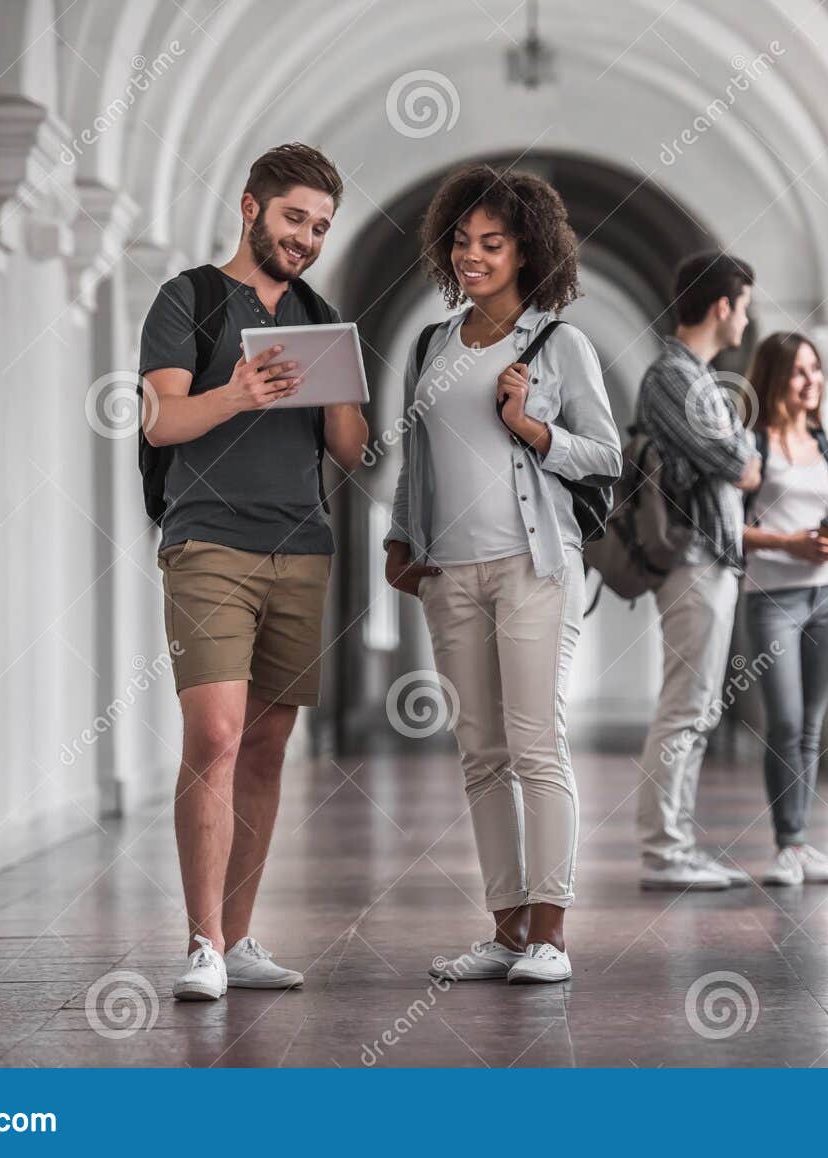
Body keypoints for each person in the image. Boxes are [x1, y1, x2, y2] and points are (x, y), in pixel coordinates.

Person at [139, 143, 368, 1000]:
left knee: (268, 747)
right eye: (293, 218)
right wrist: (238, 391)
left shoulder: (320, 313)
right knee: (217, 737)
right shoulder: (188, 299)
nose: (305, 238)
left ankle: (237, 940)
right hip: (208, 543)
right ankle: (200, 944)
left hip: (302, 546)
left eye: (318, 227)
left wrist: (339, 390)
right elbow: (162, 423)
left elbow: (350, 452)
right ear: (250, 209)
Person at [383, 165, 621, 985]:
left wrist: (530, 425)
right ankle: (507, 930)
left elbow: (607, 455)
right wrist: (397, 537)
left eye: (493, 242)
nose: (473, 255)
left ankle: (551, 934)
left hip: (534, 565)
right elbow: (416, 457)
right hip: (448, 572)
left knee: (534, 743)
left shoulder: (559, 343)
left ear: (528, 252)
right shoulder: (432, 344)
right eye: (462, 240)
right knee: (479, 751)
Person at [633, 252, 763, 890]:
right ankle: (664, 849)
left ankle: (676, 843)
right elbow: (737, 462)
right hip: (692, 557)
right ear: (722, 306)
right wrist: (741, 450)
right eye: (744, 305)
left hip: (711, 558)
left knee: (699, 705)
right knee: (685, 705)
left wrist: (738, 451)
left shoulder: (699, 378)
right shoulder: (672, 377)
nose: (747, 319)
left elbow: (735, 457)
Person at [740, 332, 828, 886]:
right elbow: (729, 530)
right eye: (801, 372)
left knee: (810, 727)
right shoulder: (751, 447)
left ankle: (802, 843)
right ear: (776, 378)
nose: (813, 381)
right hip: (771, 598)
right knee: (783, 723)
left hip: (827, 595)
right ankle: (785, 845)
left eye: (817, 369)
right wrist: (790, 545)